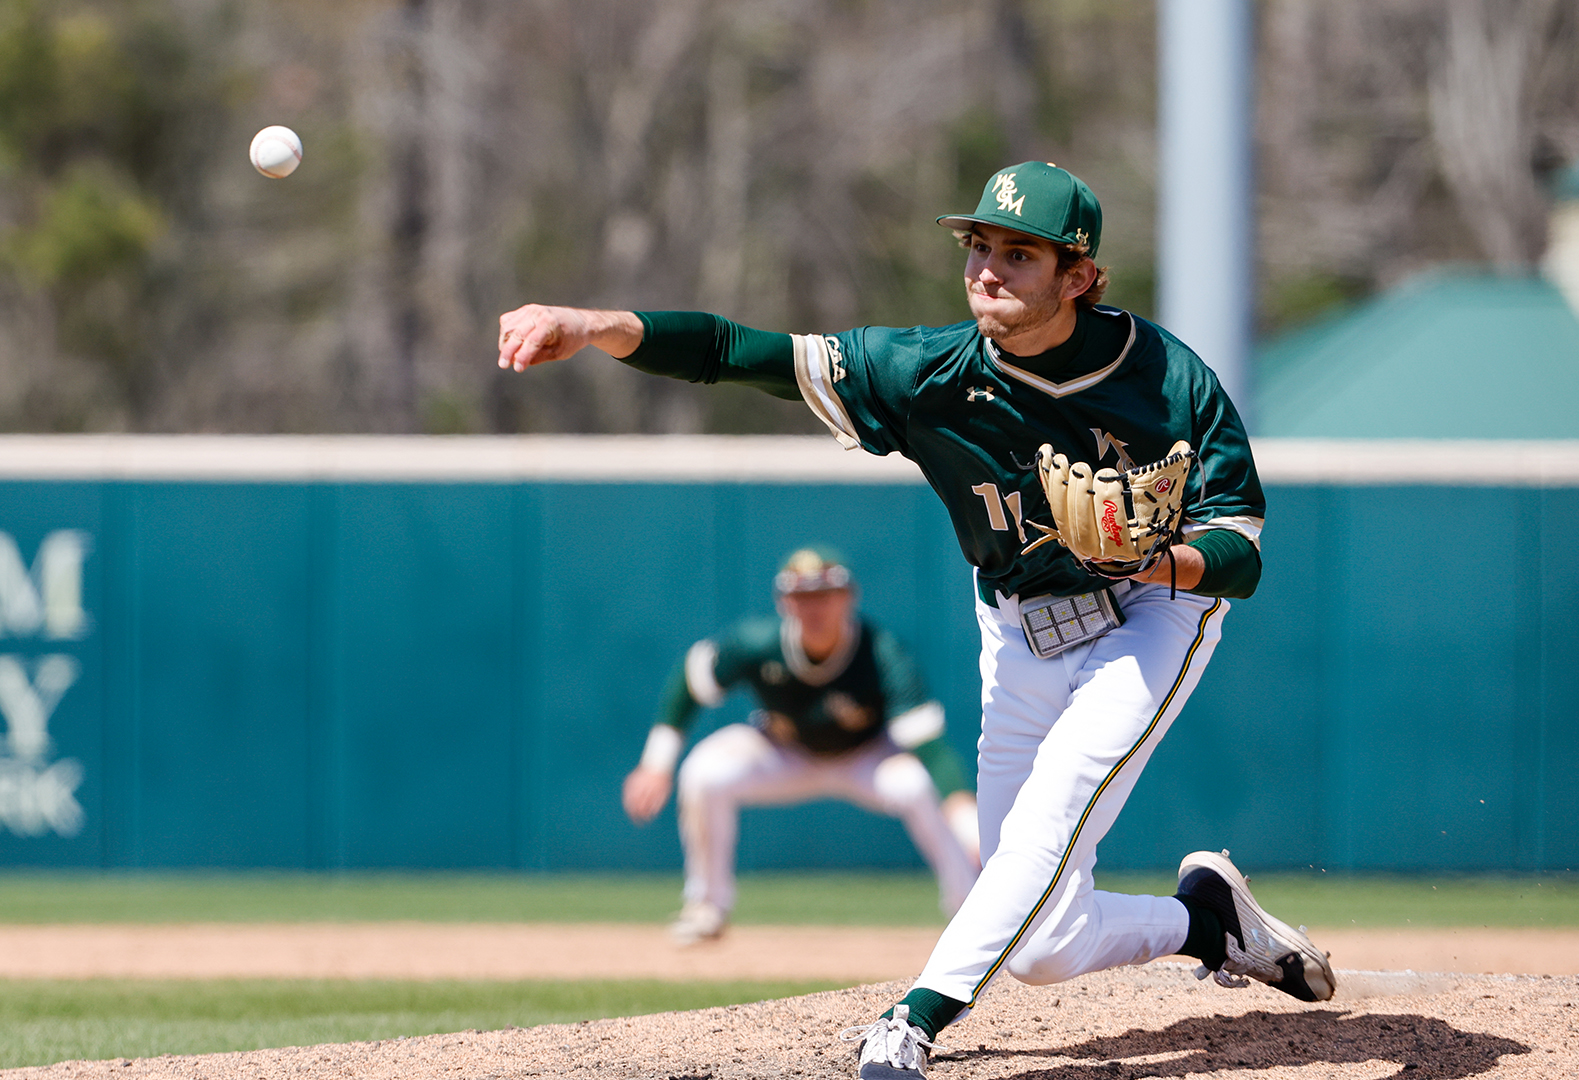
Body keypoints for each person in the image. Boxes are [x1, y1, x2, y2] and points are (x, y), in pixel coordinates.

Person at [497, 161, 1334, 1079]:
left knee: (1047, 822)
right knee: (1042, 946)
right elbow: (745, 352)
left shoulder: (1168, 377)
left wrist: (1157, 559)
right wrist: (592, 326)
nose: (987, 269)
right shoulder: (925, 371)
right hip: (1017, 625)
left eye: (1019, 254)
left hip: (1151, 612)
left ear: (1081, 276)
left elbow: (1241, 554)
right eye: (978, 246)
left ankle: (914, 1018)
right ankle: (1208, 922)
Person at [622, 546, 982, 945]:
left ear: (847, 598)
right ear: (783, 602)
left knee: (917, 785)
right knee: (704, 772)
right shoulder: (757, 642)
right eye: (802, 597)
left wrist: (970, 828)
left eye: (824, 595)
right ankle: (706, 905)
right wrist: (656, 763)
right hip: (783, 750)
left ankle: (970, 911)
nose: (814, 608)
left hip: (865, 757)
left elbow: (930, 747)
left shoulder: (882, 652)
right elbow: (691, 680)